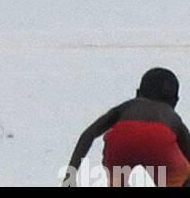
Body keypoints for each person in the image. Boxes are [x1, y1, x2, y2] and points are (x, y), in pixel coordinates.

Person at [62, 68, 190, 187]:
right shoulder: (172, 117)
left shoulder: (128, 107)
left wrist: (69, 177)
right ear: (175, 101)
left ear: (138, 93)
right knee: (183, 175)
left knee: (118, 182)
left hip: (121, 140)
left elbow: (88, 134)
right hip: (159, 139)